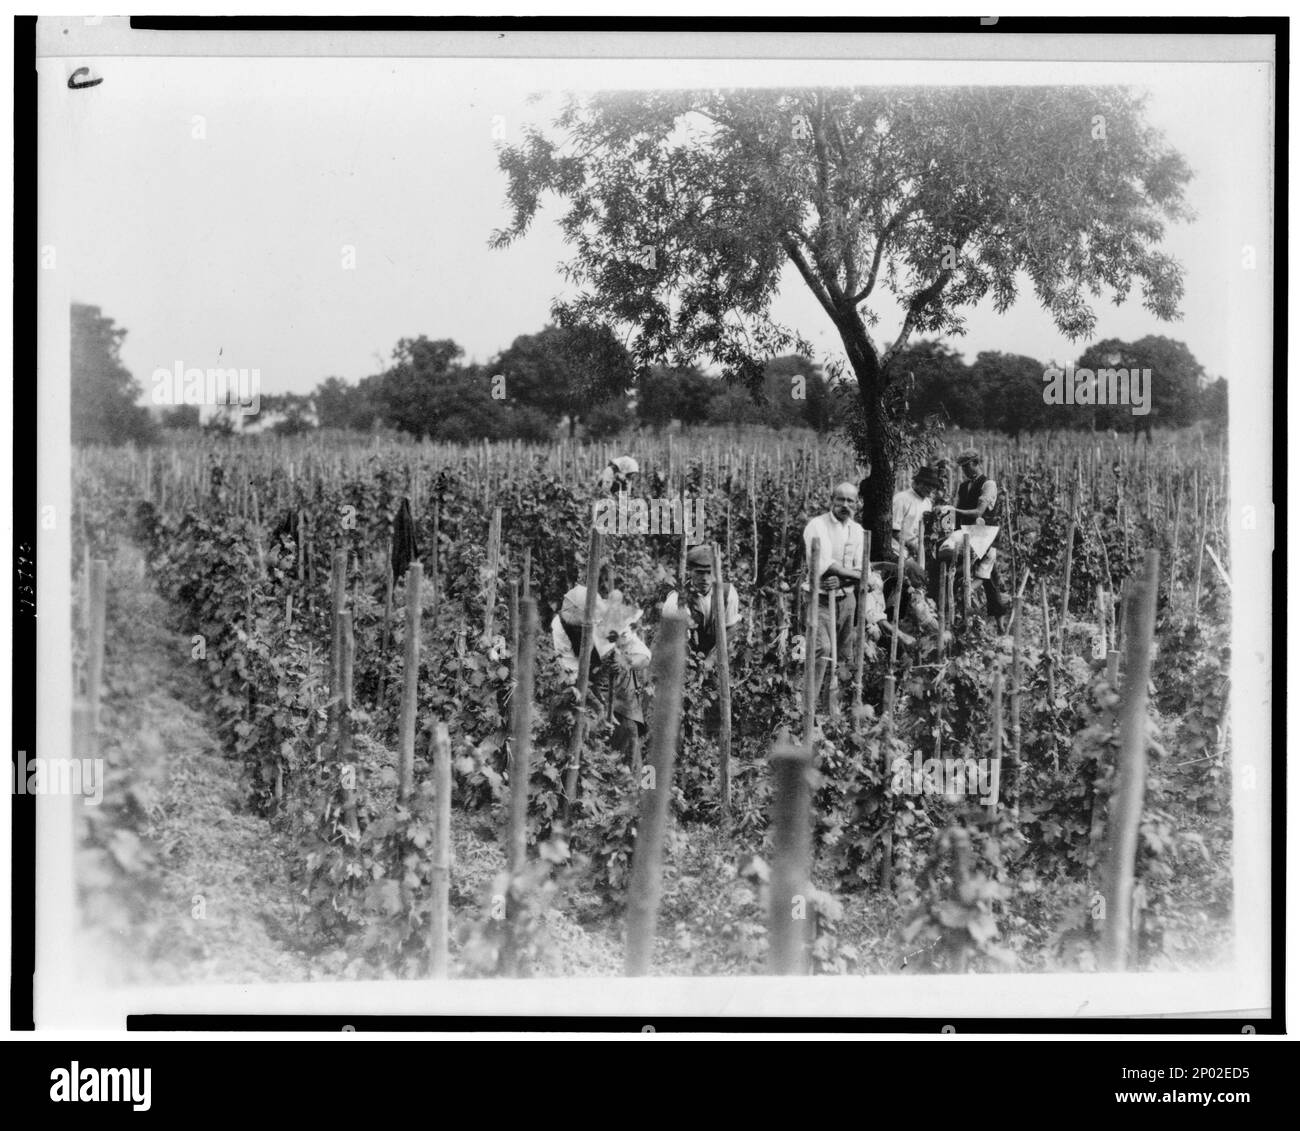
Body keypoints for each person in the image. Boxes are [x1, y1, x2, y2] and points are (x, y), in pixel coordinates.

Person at [552, 584, 650, 753]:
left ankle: (630, 773)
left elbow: (643, 656)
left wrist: (626, 663)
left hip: (620, 680)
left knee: (626, 733)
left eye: (583, 626)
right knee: (583, 735)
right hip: (588, 682)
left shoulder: (613, 619)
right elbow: (573, 676)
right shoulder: (560, 626)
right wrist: (601, 710)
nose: (579, 631)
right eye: (576, 626)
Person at [663, 545, 741, 737]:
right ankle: (686, 741)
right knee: (684, 700)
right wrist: (691, 663)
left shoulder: (727, 593)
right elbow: (672, 640)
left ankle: (714, 741)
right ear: (690, 571)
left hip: (716, 651)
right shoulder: (676, 600)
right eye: (699, 573)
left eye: (709, 573)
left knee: (717, 694)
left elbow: (732, 627)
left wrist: (712, 659)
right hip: (685, 655)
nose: (705, 579)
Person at [802, 482, 865, 706]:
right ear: (832, 500)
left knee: (844, 654)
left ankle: (832, 708)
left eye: (850, 501)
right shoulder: (817, 526)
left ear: (857, 504)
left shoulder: (858, 531)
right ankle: (808, 708)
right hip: (820, 598)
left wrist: (848, 578)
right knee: (823, 650)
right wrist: (858, 575)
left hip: (847, 599)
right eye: (840, 500)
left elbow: (859, 568)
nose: (845, 505)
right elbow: (824, 564)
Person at [938, 449, 1009, 624]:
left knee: (975, 572)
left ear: (977, 463)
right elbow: (956, 513)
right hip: (967, 533)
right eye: (962, 468)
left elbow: (979, 511)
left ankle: (964, 605)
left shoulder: (988, 485)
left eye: (967, 466)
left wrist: (954, 510)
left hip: (985, 533)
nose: (965, 471)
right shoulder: (963, 486)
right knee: (988, 575)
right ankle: (995, 617)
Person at [891, 466, 943, 588]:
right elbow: (893, 530)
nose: (930, 489)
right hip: (899, 549)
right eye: (927, 484)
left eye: (932, 486)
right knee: (908, 583)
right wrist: (911, 545)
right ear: (917, 482)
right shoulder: (901, 499)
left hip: (918, 550)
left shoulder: (927, 502)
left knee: (921, 585)